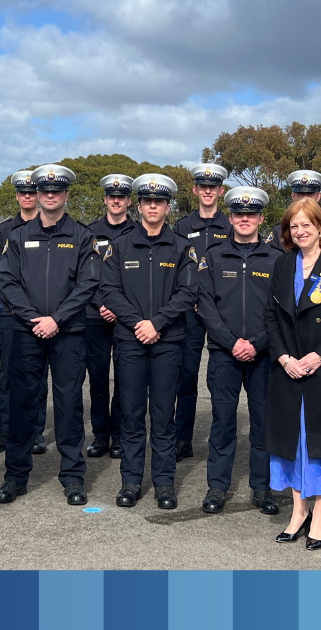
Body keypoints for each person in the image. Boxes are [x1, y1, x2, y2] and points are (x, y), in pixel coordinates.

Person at [0, 164, 99, 507]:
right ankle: (15, 476)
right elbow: (6, 280)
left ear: (66, 195)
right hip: (27, 332)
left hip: (68, 332)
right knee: (22, 404)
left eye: (57, 191)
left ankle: (72, 477)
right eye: (44, 191)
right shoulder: (19, 237)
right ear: (37, 195)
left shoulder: (82, 236)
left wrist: (57, 318)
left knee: (68, 406)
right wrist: (32, 317)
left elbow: (88, 284)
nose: (50, 195)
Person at [264, 197, 321, 551]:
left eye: (306, 224)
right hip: (288, 368)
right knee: (292, 440)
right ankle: (298, 510)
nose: (300, 231)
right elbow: (270, 318)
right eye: (293, 226)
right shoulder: (282, 264)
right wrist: (285, 357)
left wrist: (318, 357)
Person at [99, 173, 198, 509]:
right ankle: (130, 481)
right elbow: (108, 290)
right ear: (138, 205)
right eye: (147, 201)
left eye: (159, 201)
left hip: (168, 342)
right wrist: (138, 323)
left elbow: (188, 292)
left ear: (167, 207)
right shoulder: (121, 245)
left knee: (162, 415)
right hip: (129, 341)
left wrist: (156, 323)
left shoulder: (182, 247)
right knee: (131, 413)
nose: (152, 206)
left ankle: (164, 483)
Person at [196, 186, 281, 515]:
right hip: (223, 354)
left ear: (261, 219)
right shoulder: (213, 257)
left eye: (251, 215)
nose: (244, 219)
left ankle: (262, 487)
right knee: (222, 423)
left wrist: (257, 342)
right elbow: (205, 306)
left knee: (262, 423)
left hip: (263, 355)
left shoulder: (276, 259)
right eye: (238, 214)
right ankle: (217, 487)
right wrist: (232, 342)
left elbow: (279, 308)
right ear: (229, 218)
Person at [0, 171, 49, 456]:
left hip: (41, 315)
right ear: (17, 196)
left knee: (38, 377)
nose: (27, 196)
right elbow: (0, 269)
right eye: (22, 192)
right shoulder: (3, 231)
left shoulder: (47, 227)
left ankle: (35, 432)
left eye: (32, 192)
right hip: (10, 314)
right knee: (8, 377)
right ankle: (3, 431)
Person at [170, 163, 231, 461]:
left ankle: (223, 440)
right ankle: (183, 439)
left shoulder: (231, 226)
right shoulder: (181, 227)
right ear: (195, 190)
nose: (208, 191)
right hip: (191, 312)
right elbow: (178, 269)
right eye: (202, 187)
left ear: (221, 191)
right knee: (186, 377)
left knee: (223, 378)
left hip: (224, 313)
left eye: (213, 187)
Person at [84, 174, 136, 459]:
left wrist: (120, 308)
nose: (116, 201)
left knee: (126, 380)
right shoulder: (89, 232)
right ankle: (100, 435)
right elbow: (84, 276)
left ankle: (119, 435)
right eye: (111, 196)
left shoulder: (138, 232)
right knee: (98, 379)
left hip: (126, 318)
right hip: (94, 316)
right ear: (105, 199)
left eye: (122, 196)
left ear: (129, 201)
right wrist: (102, 303)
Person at [266, 170, 321, 249]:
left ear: (318, 196)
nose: (305, 198)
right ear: (293, 196)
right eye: (301, 194)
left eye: (310, 194)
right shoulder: (280, 231)